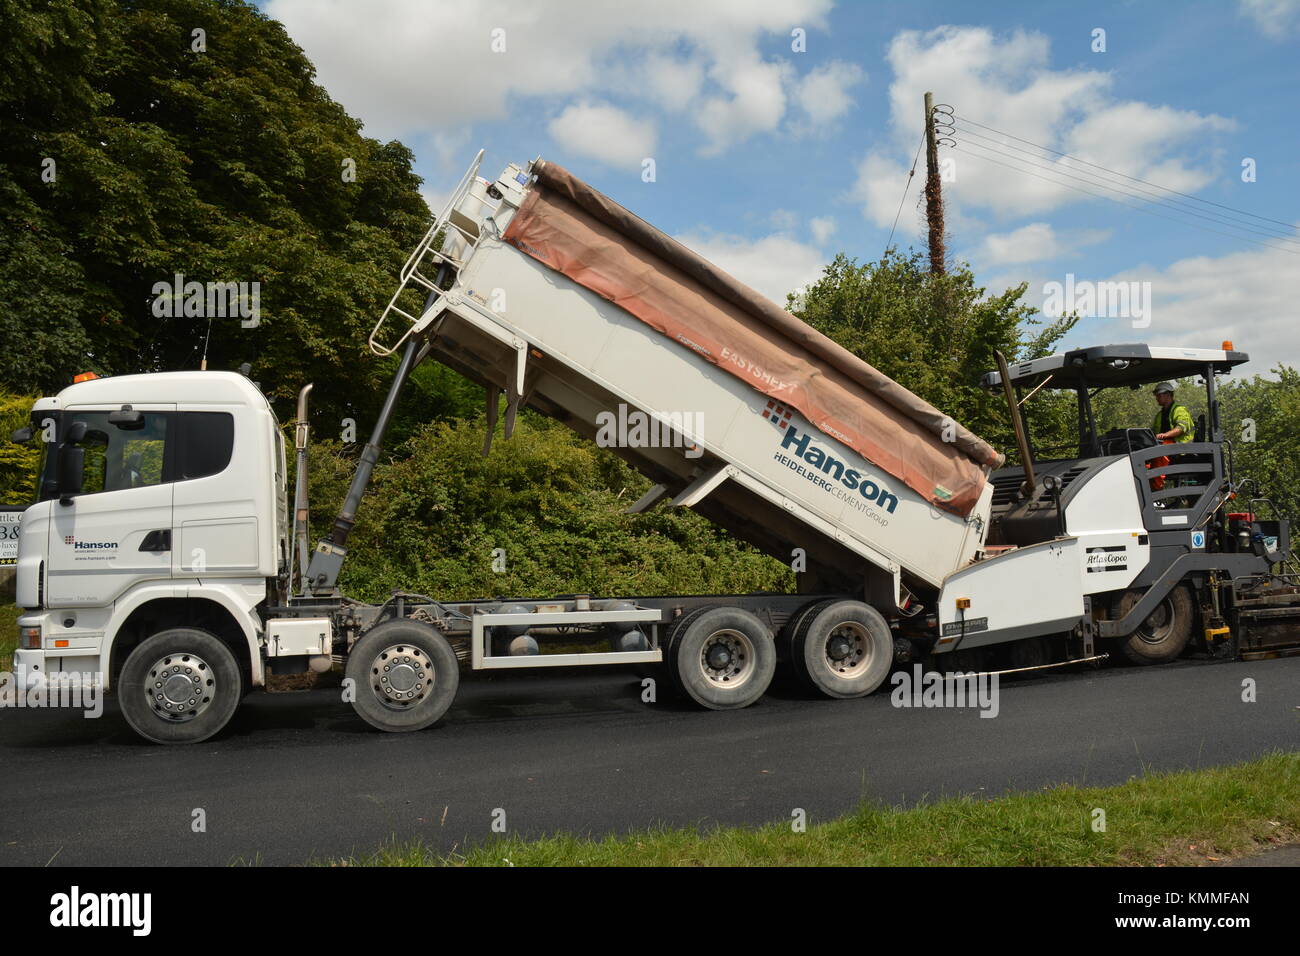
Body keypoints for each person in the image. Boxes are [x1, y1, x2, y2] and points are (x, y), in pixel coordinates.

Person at [1148, 382, 1194, 493]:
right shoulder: (1160, 415)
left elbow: (1180, 428)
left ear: (1168, 395)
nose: (1157, 398)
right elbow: (1153, 432)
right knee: (1145, 454)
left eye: (1159, 395)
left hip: (1182, 447)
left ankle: (1156, 487)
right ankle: (1146, 482)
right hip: (1167, 445)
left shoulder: (1180, 410)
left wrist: (1165, 435)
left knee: (1160, 450)